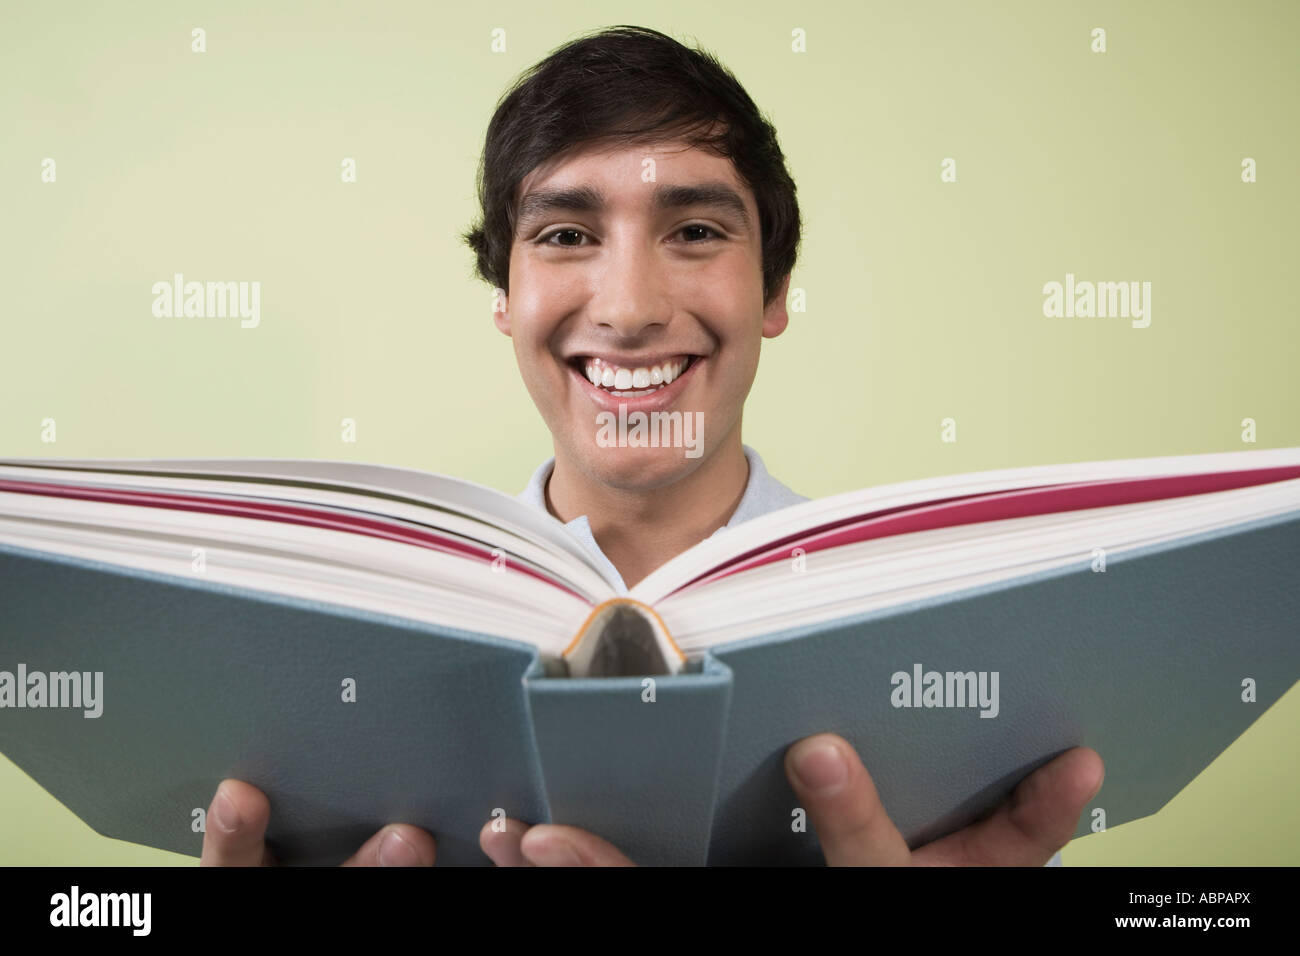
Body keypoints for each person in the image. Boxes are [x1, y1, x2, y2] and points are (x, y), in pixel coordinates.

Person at [201, 24, 1100, 868]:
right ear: (503, 296)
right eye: (565, 236)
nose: (629, 309)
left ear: (775, 290)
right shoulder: (343, 658)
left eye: (696, 232)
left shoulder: (940, 654)